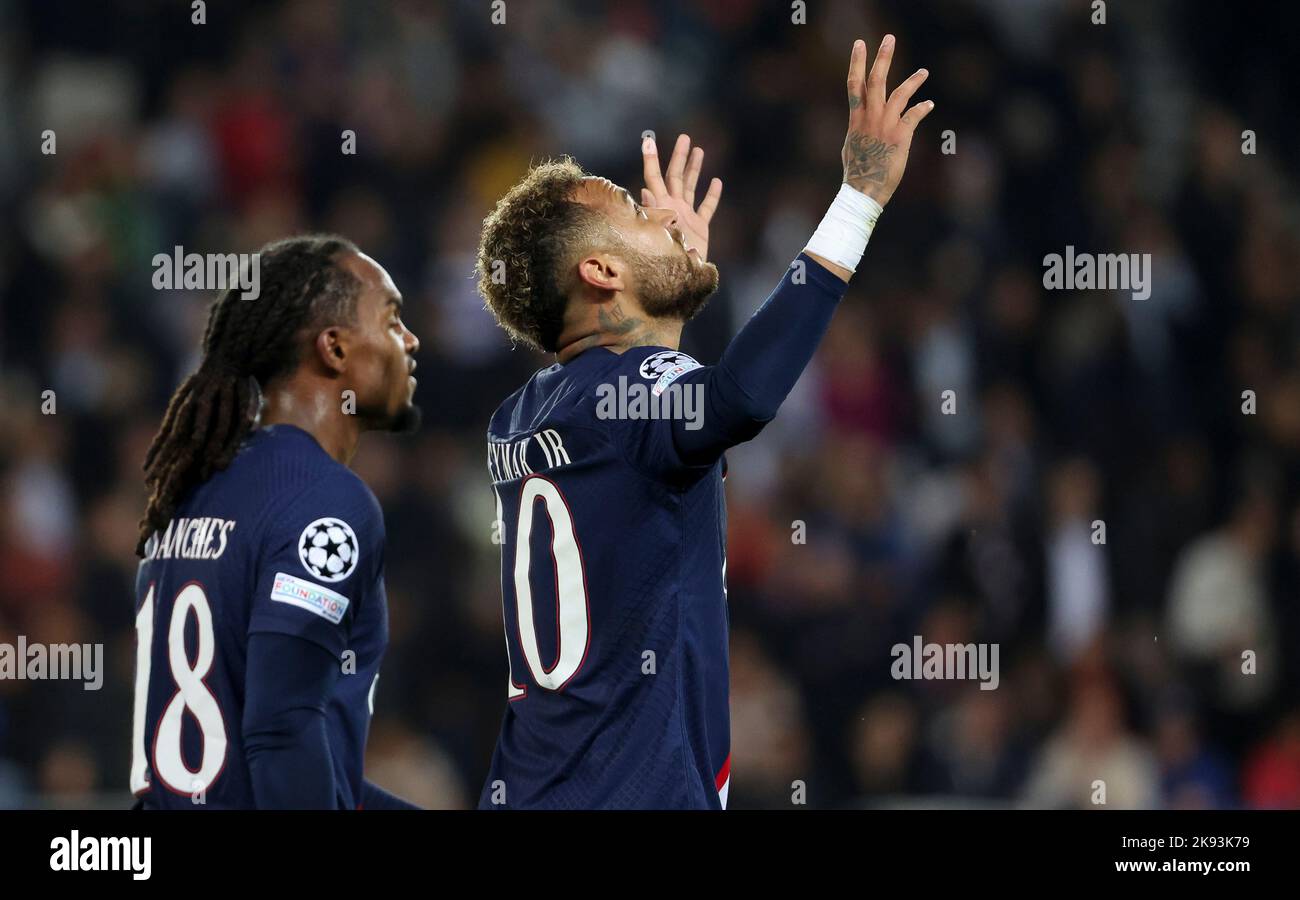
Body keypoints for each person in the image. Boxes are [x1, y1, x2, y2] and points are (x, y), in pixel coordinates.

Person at [474, 36, 934, 808]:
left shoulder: (520, 420)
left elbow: (641, 454)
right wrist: (858, 197)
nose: (657, 214)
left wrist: (664, 308)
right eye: (631, 214)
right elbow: (737, 402)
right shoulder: (621, 400)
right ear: (602, 271)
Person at [129, 234, 422, 809]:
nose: (410, 340)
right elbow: (282, 731)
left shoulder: (191, 491)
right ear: (334, 348)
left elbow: (276, 760)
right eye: (391, 320)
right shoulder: (326, 500)